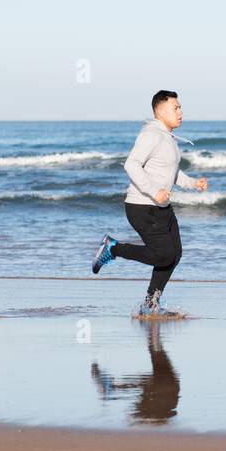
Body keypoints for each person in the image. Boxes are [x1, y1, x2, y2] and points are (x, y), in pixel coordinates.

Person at [91, 90, 208, 315]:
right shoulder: (151, 134)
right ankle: (113, 249)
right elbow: (131, 164)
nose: (181, 112)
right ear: (160, 111)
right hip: (142, 207)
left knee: (175, 255)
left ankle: (151, 304)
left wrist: (193, 183)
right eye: (176, 108)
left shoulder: (168, 138)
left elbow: (170, 172)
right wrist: (154, 191)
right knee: (164, 255)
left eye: (180, 107)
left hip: (161, 208)